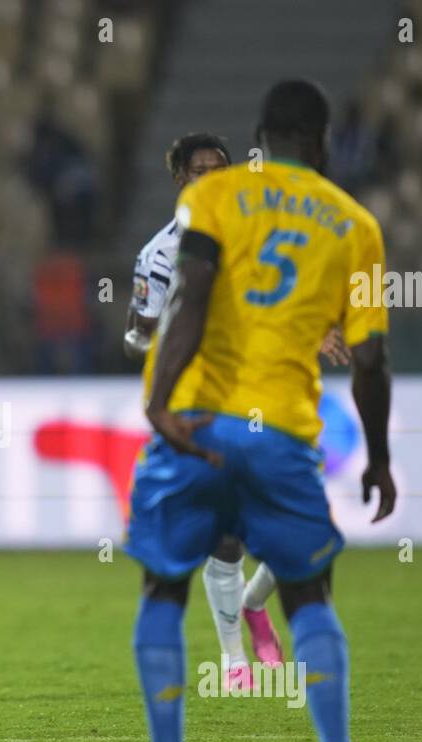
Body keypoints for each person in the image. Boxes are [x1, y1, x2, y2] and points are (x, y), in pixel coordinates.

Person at [127, 80, 397, 742]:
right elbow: (371, 358)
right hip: (279, 427)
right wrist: (377, 457)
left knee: (161, 591)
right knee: (311, 592)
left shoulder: (214, 203)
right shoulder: (356, 226)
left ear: (260, 135)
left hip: (196, 422)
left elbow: (189, 298)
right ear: (326, 138)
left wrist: (161, 400)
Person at [125, 132, 284, 691]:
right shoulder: (161, 254)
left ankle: (252, 603)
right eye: (200, 171)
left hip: (262, 390)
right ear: (181, 180)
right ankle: (234, 660)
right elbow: (139, 332)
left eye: (221, 168)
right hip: (201, 402)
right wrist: (151, 347)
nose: (213, 178)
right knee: (225, 534)